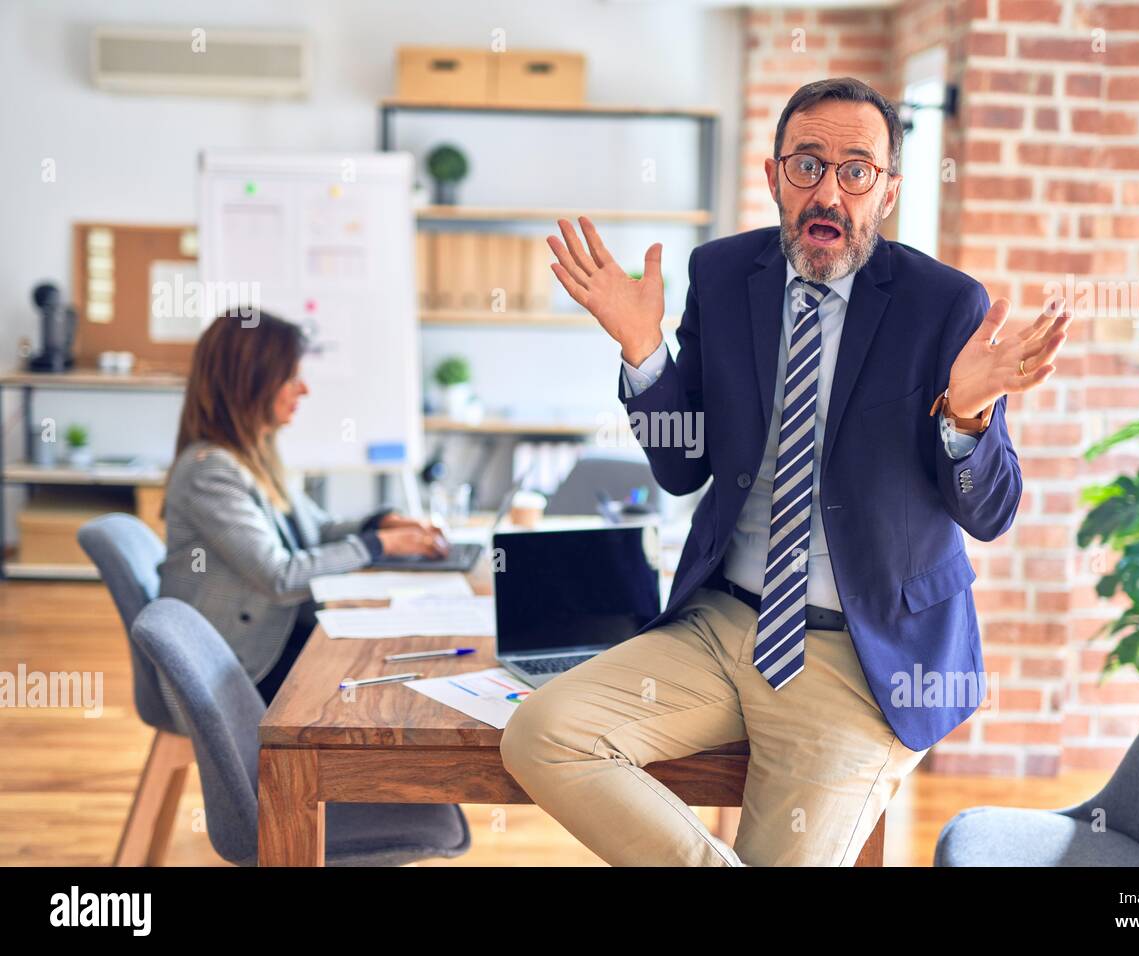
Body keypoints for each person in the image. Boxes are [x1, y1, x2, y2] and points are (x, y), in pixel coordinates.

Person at [499, 76, 1072, 866]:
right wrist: (643, 351)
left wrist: (966, 419)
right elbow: (681, 466)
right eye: (806, 165)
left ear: (889, 190)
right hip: (719, 624)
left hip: (861, 656)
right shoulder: (724, 275)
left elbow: (991, 514)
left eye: (855, 170)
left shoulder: (945, 306)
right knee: (543, 733)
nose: (828, 191)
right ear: (773, 178)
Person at [157, 309, 449, 704]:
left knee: (398, 663)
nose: (304, 390)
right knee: (385, 686)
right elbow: (280, 577)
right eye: (292, 378)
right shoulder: (209, 472)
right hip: (238, 666)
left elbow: (317, 530)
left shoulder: (255, 454)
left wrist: (382, 524)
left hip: (273, 639)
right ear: (252, 381)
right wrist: (380, 545)